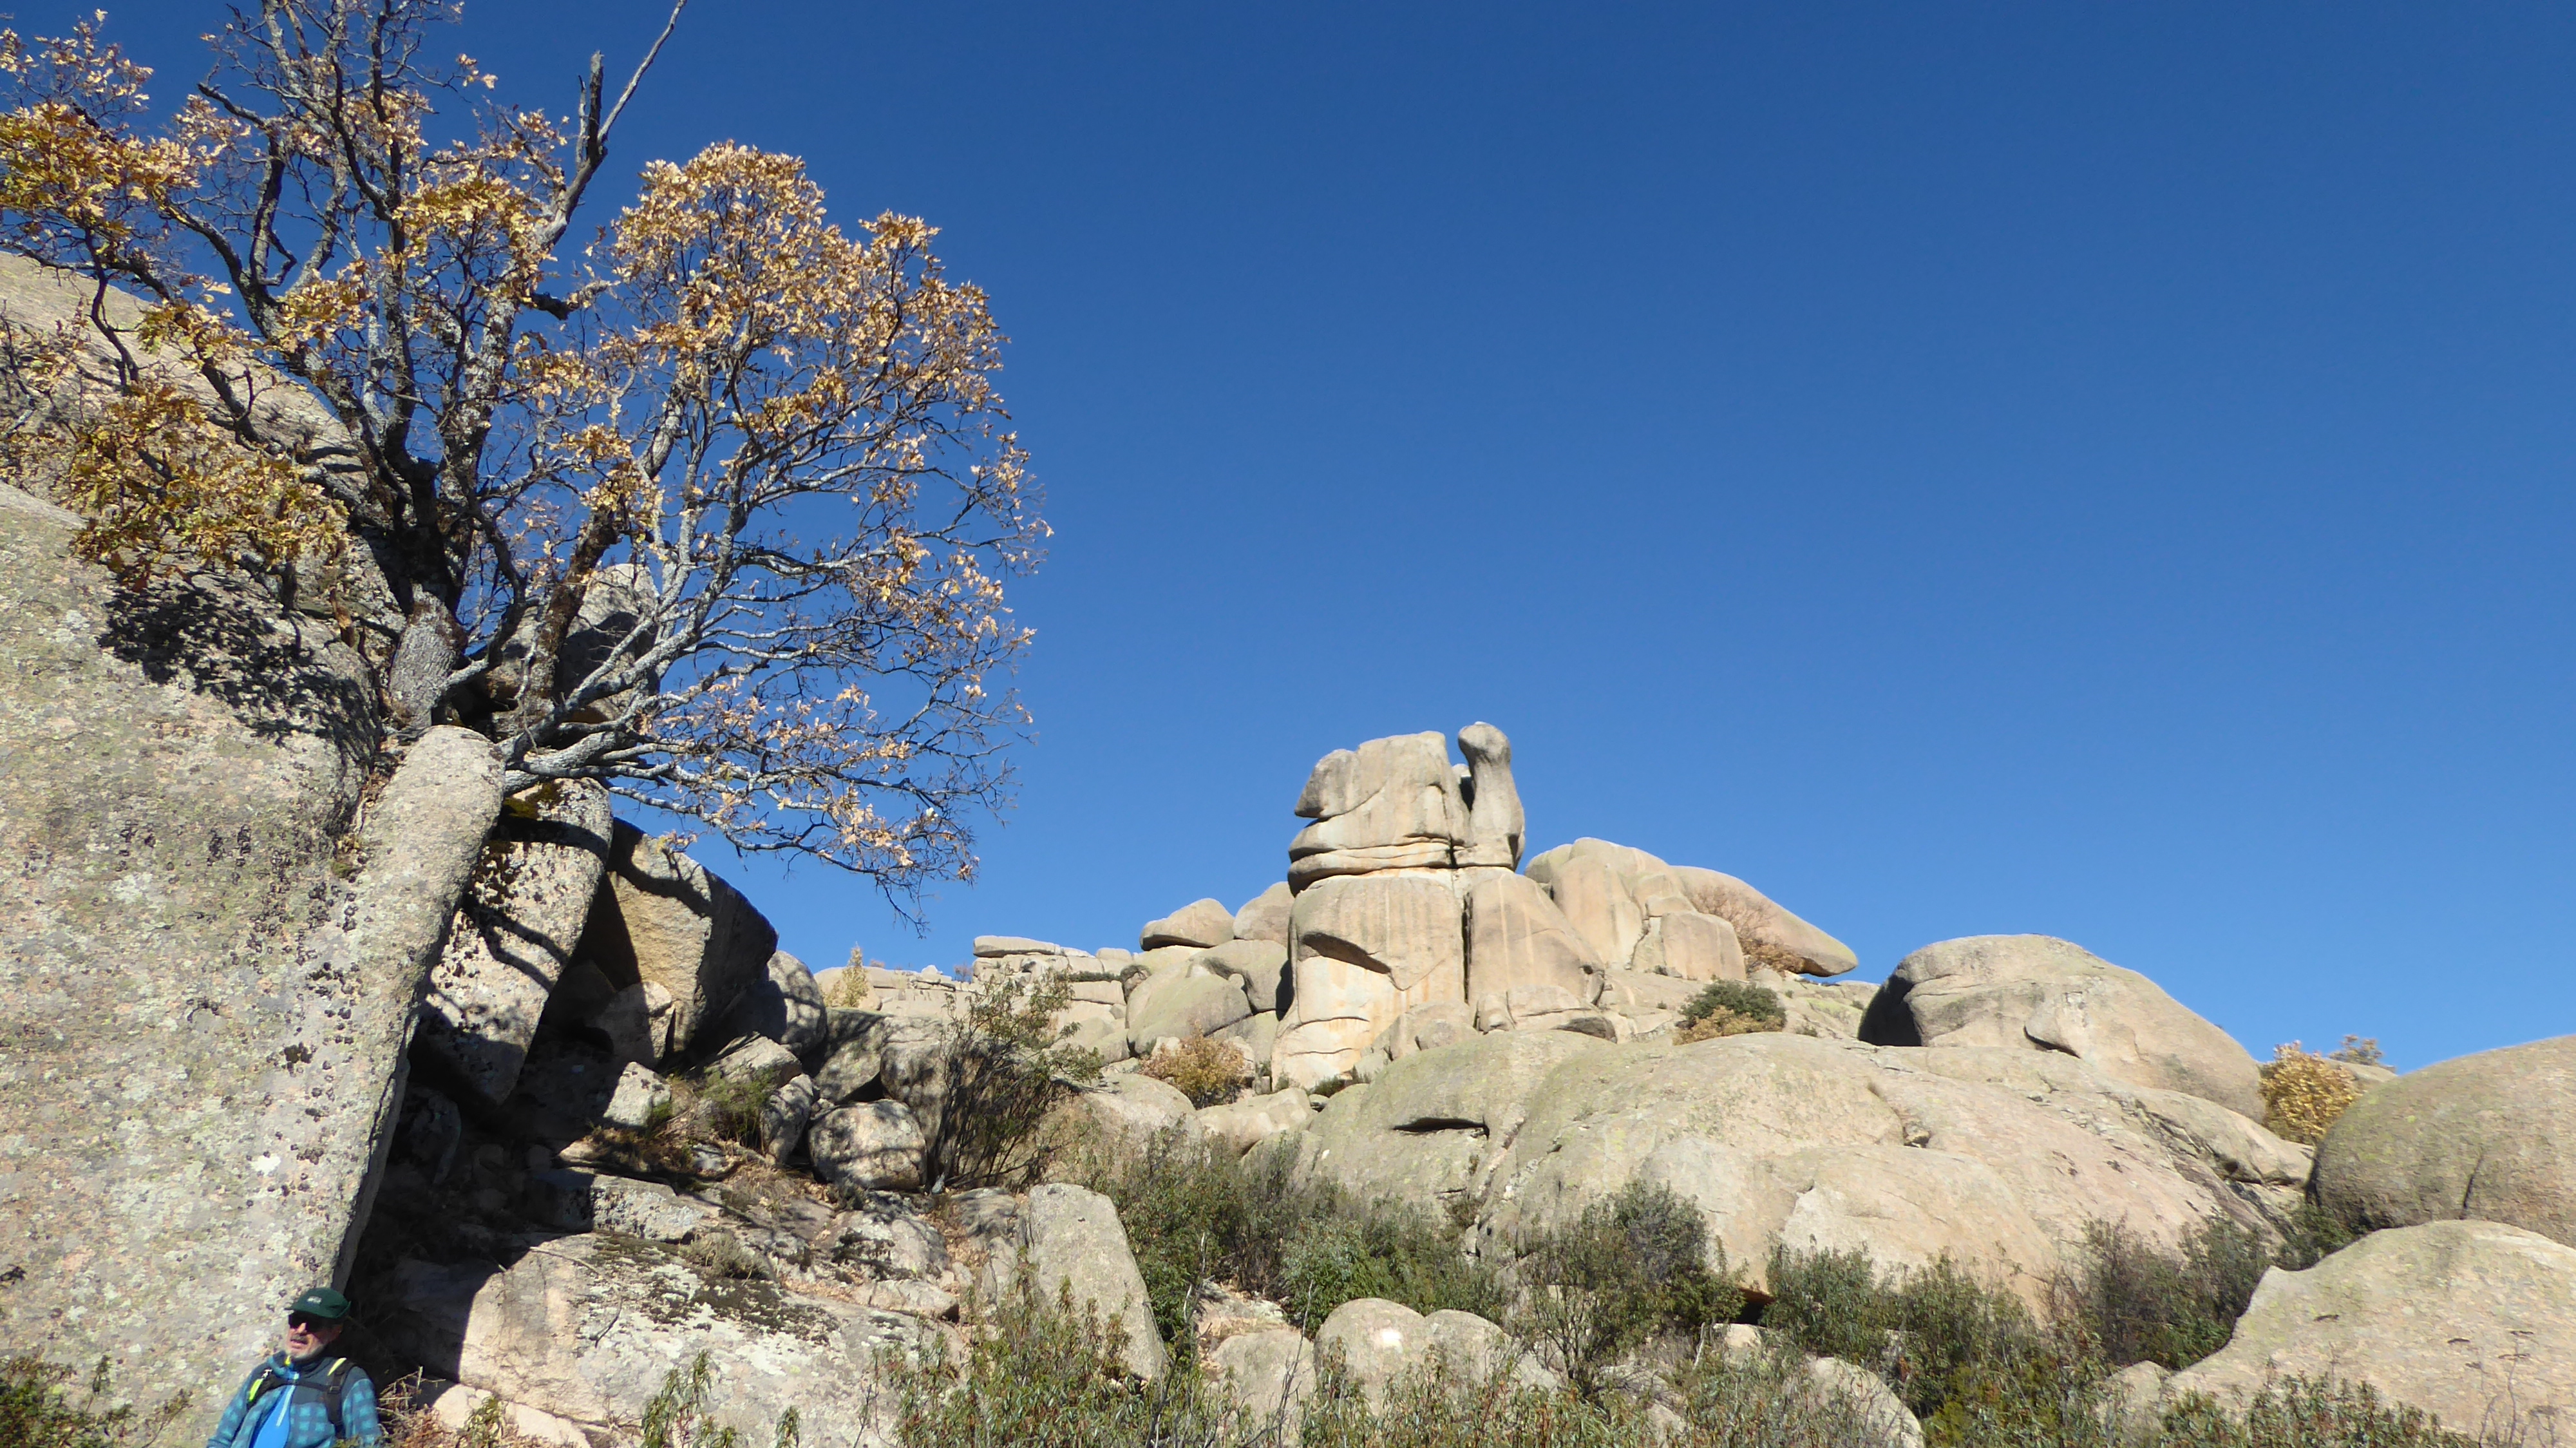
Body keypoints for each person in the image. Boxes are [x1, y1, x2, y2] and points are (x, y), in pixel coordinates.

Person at [203, 1287, 383, 1448]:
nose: (301, 1330)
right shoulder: (265, 1374)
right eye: (296, 1320)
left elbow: (369, 1443)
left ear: (334, 1332)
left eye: (314, 1324)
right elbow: (221, 1440)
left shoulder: (349, 1381)